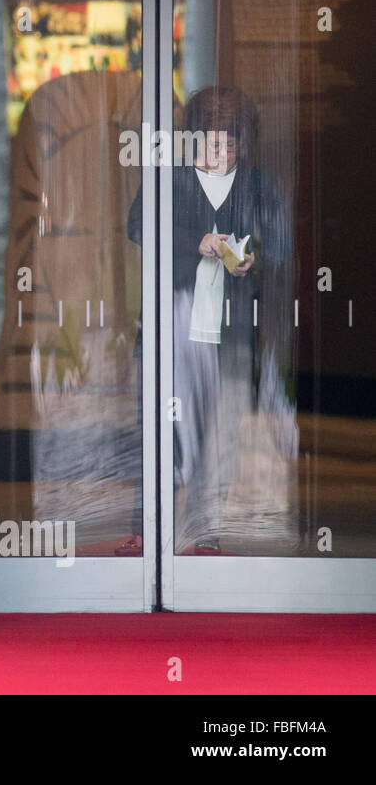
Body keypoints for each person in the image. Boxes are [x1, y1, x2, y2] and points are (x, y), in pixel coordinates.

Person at [126, 85, 288, 553]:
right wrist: (197, 242)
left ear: (244, 143)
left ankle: (205, 529)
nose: (219, 153)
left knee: (223, 428)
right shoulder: (169, 179)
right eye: (210, 143)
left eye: (229, 144)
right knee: (160, 424)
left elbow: (277, 248)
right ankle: (147, 526)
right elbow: (138, 227)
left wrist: (250, 256)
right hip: (173, 320)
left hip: (232, 327)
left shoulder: (258, 185)